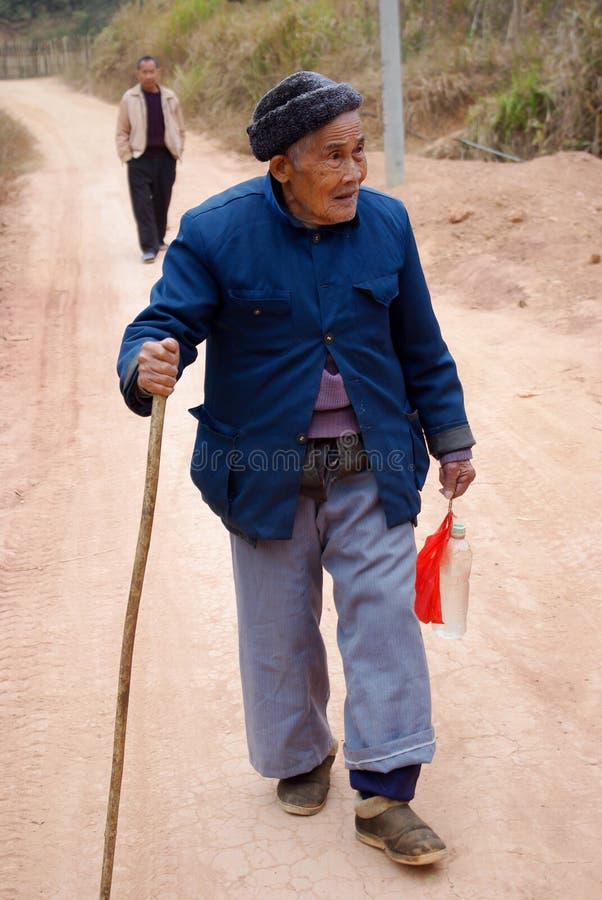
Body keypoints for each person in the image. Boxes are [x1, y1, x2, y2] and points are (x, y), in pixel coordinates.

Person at [117, 71, 476, 867]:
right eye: (331, 157)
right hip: (264, 469)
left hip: (372, 463)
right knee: (278, 634)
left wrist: (451, 438)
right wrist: (145, 360)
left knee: (382, 620)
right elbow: (161, 320)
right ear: (283, 165)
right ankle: (299, 754)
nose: (353, 173)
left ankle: (386, 789)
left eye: (359, 153)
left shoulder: (386, 225)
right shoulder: (216, 233)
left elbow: (421, 341)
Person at [115, 55, 185, 264]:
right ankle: (148, 247)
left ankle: (160, 238)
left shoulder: (170, 97)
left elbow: (180, 127)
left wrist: (178, 148)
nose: (148, 75)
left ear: (158, 72)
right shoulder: (130, 98)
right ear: (138, 74)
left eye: (151, 71)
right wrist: (127, 156)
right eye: (143, 72)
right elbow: (121, 131)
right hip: (139, 159)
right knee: (142, 204)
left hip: (166, 158)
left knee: (163, 199)